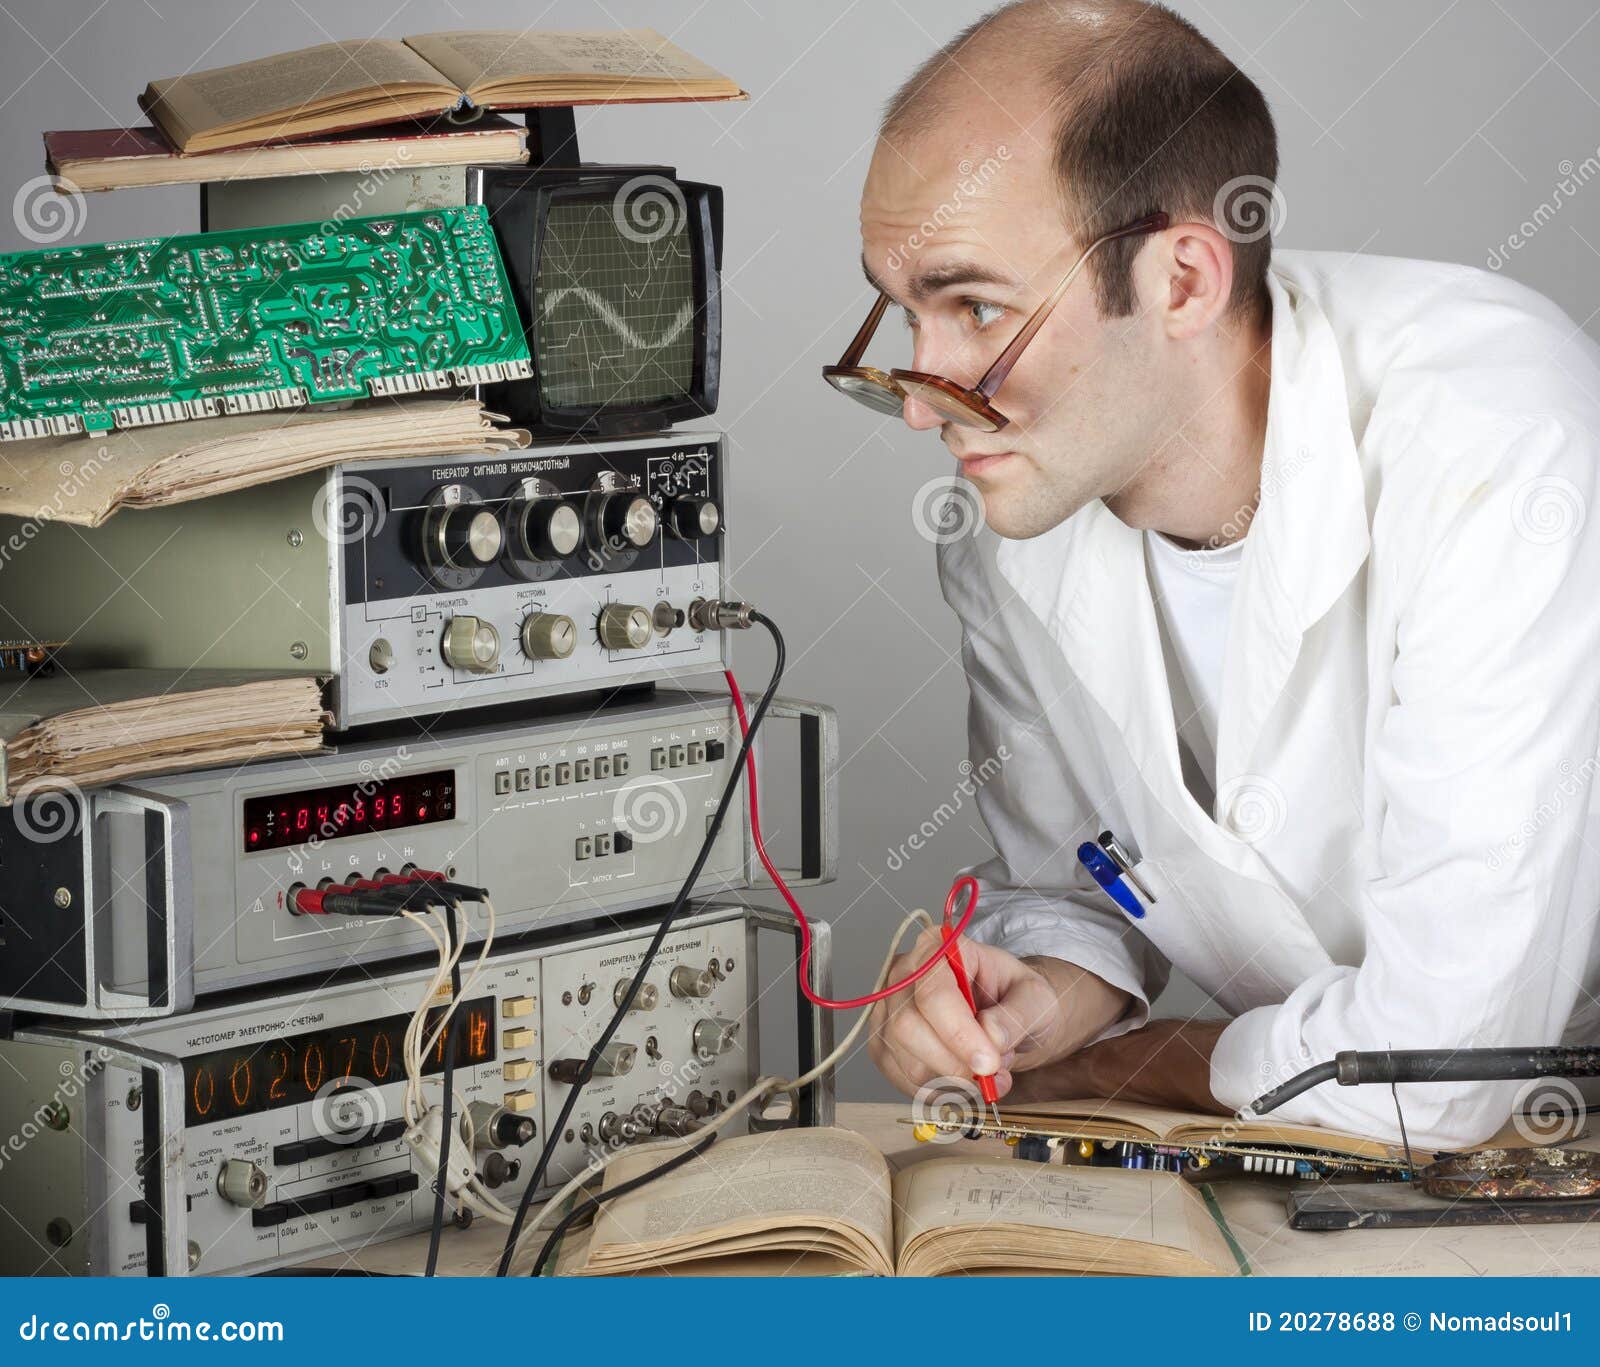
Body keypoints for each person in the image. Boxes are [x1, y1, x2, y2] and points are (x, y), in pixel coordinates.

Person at [831, 0, 1600, 1148]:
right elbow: (1086, 879)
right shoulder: (1008, 514)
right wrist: (1031, 997)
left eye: (975, 306)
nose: (915, 395)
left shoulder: (1496, 438)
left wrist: (1138, 1064)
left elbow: (1446, 1066)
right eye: (904, 313)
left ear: (1182, 280)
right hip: (1324, 1156)